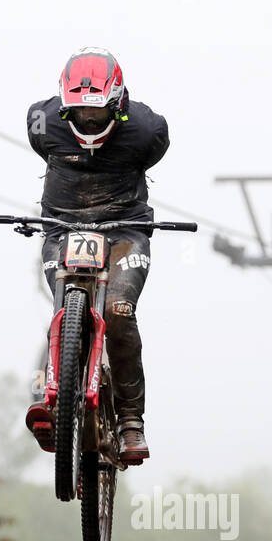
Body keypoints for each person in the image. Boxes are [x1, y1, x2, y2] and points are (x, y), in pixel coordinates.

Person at [24, 47, 170, 465]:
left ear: (118, 105)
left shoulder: (148, 130)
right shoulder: (41, 122)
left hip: (124, 230)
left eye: (97, 115)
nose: (88, 123)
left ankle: (130, 421)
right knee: (61, 306)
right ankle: (53, 398)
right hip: (62, 227)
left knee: (120, 311)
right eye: (79, 116)